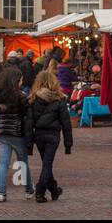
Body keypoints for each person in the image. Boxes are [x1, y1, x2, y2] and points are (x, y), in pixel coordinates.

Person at [0, 62, 34, 203]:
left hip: (2, 132)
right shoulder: (21, 96)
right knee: (23, 162)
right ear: (15, 80)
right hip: (17, 133)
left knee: (3, 163)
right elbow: (26, 114)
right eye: (20, 79)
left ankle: (1, 193)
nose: (22, 81)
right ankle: (28, 190)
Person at [26, 69, 73, 202]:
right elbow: (66, 123)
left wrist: (29, 144)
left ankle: (54, 189)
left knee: (47, 163)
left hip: (39, 136)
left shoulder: (33, 99)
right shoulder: (59, 98)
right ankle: (40, 191)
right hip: (53, 136)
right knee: (47, 165)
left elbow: (29, 123)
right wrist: (68, 144)